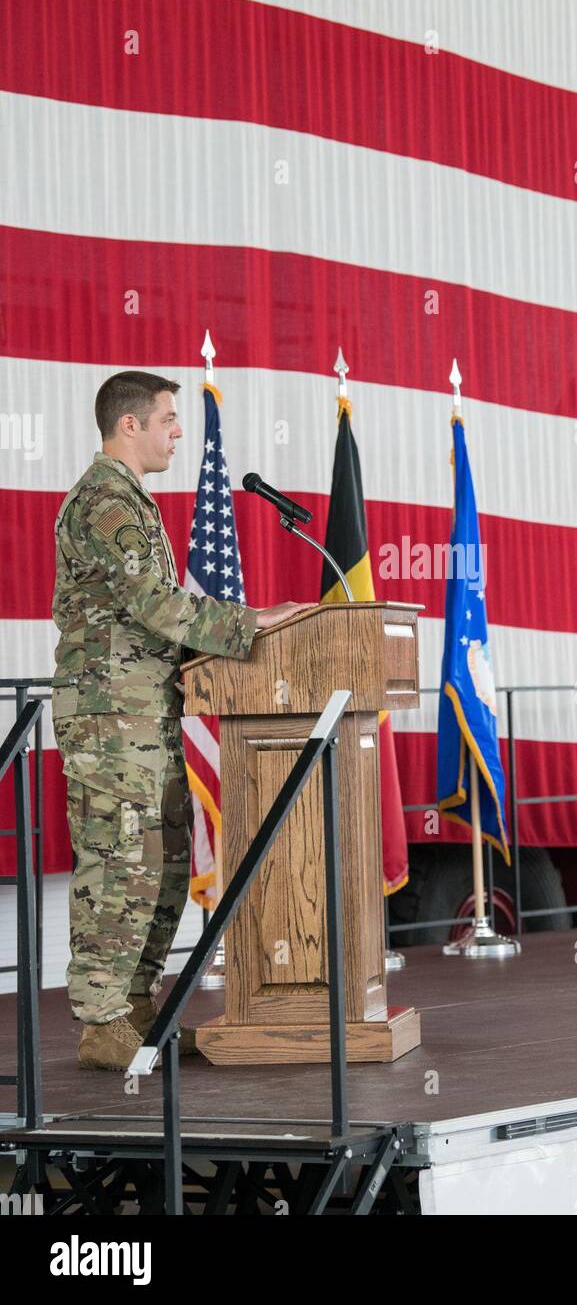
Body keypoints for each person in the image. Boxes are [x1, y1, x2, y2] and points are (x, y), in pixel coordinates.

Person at [52, 370, 313, 1070]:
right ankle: (101, 1018)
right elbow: (156, 606)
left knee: (162, 869)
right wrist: (250, 622)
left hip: (145, 713)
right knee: (120, 864)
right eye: (167, 419)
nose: (176, 432)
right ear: (128, 425)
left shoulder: (133, 500)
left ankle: (138, 1009)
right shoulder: (105, 501)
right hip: (111, 720)